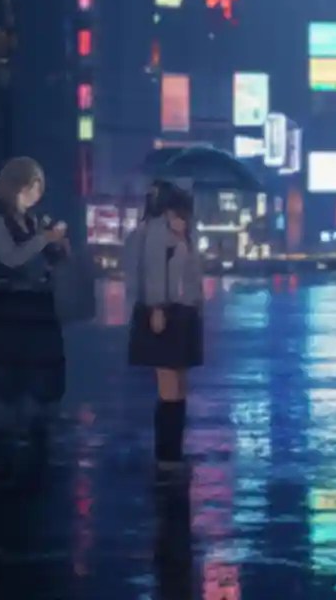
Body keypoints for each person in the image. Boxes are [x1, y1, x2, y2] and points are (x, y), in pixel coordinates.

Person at [0, 157, 69, 472]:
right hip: (6, 313)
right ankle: (4, 447)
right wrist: (44, 240)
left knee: (37, 380)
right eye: (31, 185)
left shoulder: (33, 222)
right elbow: (11, 258)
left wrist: (56, 250)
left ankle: (33, 439)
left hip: (34, 312)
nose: (35, 193)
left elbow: (38, 264)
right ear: (15, 186)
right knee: (7, 381)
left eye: (39, 186)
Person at [126, 184, 203, 475]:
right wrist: (156, 307)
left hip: (182, 313)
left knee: (179, 386)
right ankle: (167, 455)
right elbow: (154, 273)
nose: (184, 218)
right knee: (169, 386)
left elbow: (190, 275)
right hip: (164, 313)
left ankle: (173, 452)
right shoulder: (157, 232)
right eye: (180, 212)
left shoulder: (183, 234)